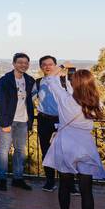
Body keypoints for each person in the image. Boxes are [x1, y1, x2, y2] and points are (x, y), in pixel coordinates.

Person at [43, 69, 105, 209]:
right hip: (85, 145)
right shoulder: (95, 103)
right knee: (87, 191)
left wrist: (58, 70)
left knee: (65, 185)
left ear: (74, 83)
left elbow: (51, 81)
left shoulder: (65, 100)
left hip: (66, 145)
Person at [0, 53, 35, 191]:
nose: (23, 65)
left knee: (20, 151)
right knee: (3, 151)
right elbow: (1, 103)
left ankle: (18, 178)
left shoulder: (29, 80)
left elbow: (31, 100)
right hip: (8, 121)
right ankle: (2, 179)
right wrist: (4, 123)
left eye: (26, 63)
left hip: (23, 121)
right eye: (20, 62)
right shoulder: (4, 81)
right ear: (14, 64)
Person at [35, 56, 70, 191]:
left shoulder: (64, 82)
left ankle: (69, 184)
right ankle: (50, 181)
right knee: (46, 151)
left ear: (55, 65)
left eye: (50, 64)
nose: (48, 67)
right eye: (44, 65)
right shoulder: (38, 83)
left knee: (65, 152)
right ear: (41, 67)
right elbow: (29, 98)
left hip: (62, 120)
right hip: (44, 120)